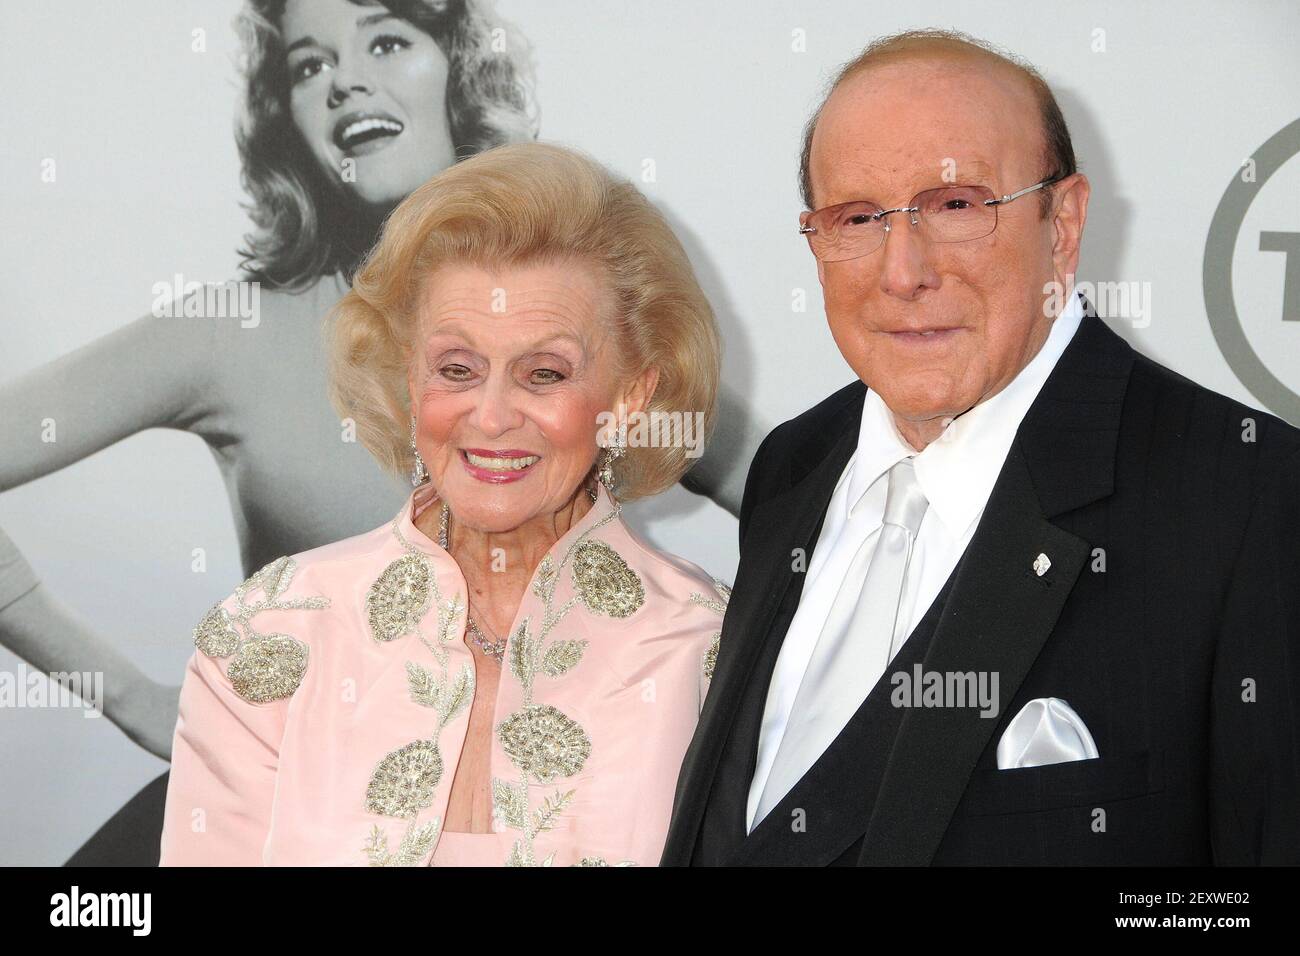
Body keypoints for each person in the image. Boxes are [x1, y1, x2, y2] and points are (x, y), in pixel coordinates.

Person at [663, 28, 1300, 866]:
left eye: (955, 206)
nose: (903, 272)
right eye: (858, 218)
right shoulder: (794, 464)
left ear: (1063, 223)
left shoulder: (1255, 499)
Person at [160, 141, 729, 866]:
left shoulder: (711, 653)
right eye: (457, 369)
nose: (490, 417)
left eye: (544, 373)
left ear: (630, 396)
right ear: (407, 378)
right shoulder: (273, 631)